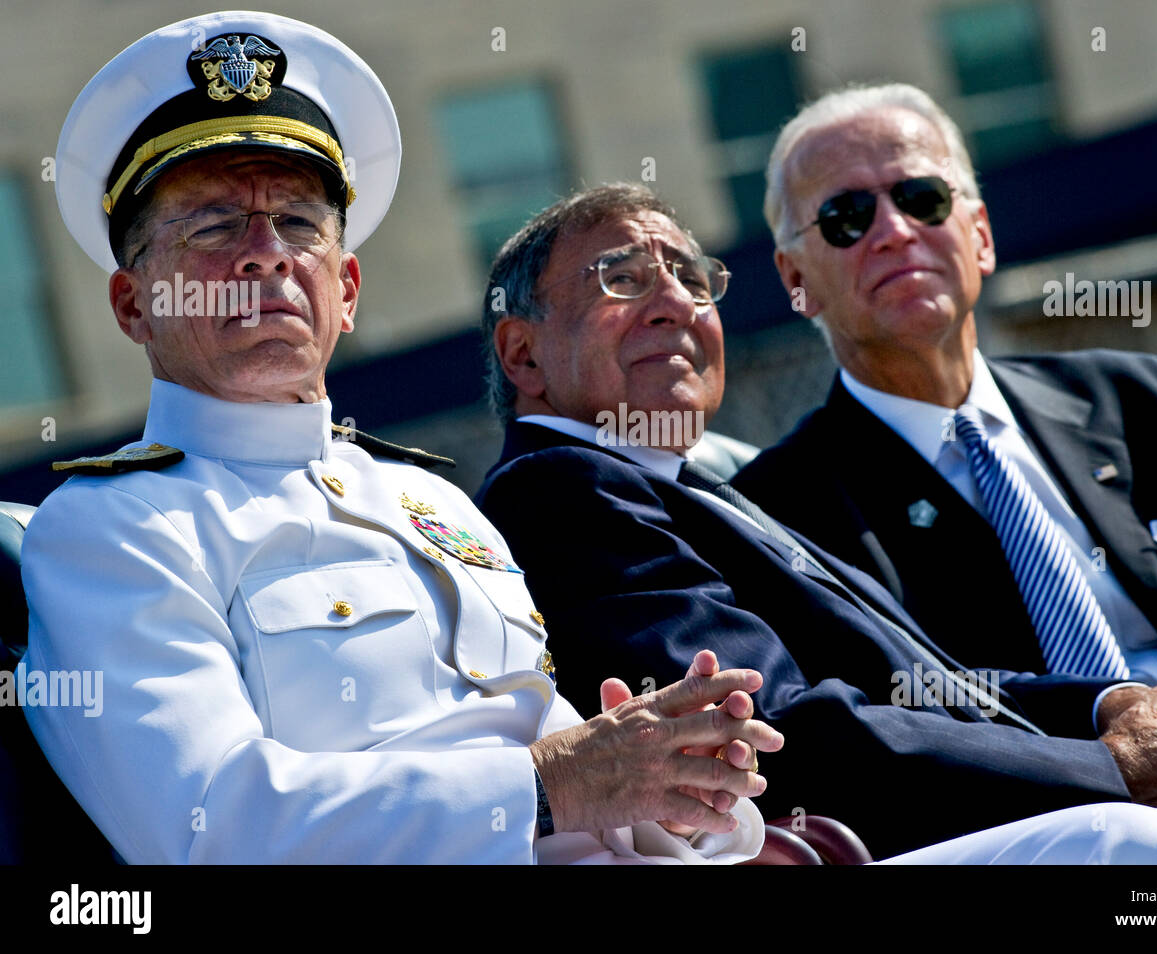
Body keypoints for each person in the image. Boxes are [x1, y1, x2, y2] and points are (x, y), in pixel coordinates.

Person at [21, 10, 788, 866]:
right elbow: (213, 826)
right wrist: (553, 785)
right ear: (135, 306)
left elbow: (572, 765)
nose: (265, 255)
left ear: (345, 291)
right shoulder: (114, 530)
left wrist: (677, 796)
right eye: (212, 226)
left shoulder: (431, 500)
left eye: (300, 225)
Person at [475, 182, 1157, 863]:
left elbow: (926, 681)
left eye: (693, 279)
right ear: (523, 356)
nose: (674, 305)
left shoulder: (686, 484)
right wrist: (1106, 770)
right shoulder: (562, 492)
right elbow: (782, 734)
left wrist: (1108, 708)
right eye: (621, 279)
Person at [730, 83, 1157, 754]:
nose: (894, 232)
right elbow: (898, 722)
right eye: (846, 216)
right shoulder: (781, 514)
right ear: (795, 280)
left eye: (922, 198)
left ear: (981, 237)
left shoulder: (1139, 396)